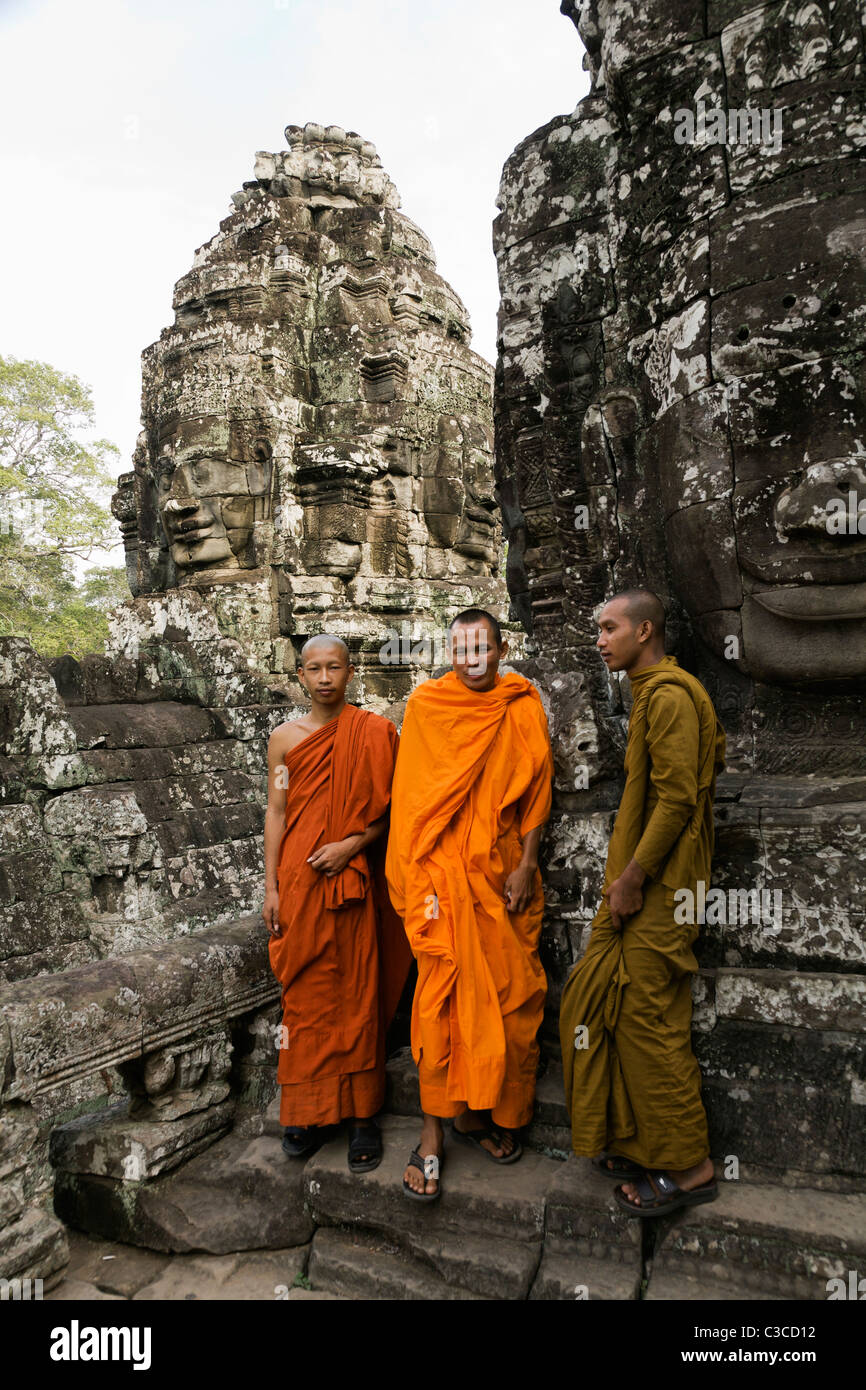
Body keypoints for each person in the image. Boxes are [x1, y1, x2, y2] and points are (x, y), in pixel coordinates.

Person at [559, 589, 726, 1216]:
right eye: (597, 629)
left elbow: (678, 799)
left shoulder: (672, 696)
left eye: (609, 628)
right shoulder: (652, 693)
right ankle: (637, 1139)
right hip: (642, 882)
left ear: (644, 629)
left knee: (647, 1020)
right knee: (606, 1000)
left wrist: (632, 878)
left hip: (660, 886)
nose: (599, 640)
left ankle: (691, 1166)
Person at [386, 609, 554, 1200]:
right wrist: (413, 878)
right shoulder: (428, 706)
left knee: (511, 995)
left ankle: (482, 1113)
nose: (472, 659)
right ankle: (431, 1134)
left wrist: (528, 863)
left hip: (499, 869)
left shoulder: (520, 704)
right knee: (437, 1001)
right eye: (460, 650)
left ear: (501, 647)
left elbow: (536, 794)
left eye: (481, 648)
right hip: (437, 875)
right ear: (450, 652)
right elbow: (410, 801)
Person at [263, 634, 411, 1172]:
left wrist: (351, 845)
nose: (325, 677)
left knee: (357, 992)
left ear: (350, 673)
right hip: (300, 884)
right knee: (303, 998)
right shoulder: (284, 740)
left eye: (334, 668)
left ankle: (362, 1117)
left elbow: (393, 810)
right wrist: (271, 886)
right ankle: (306, 1110)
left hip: (352, 881)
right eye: (313, 668)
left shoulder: (376, 733)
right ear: (299, 675)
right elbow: (277, 811)